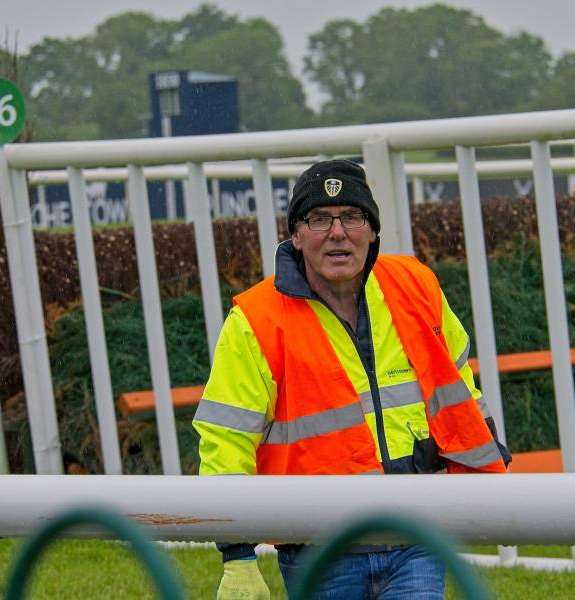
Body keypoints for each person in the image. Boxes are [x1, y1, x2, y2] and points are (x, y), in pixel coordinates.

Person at [192, 159, 511, 599]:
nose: (337, 232)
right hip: (317, 549)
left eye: (352, 217)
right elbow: (226, 441)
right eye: (319, 219)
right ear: (296, 236)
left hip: (414, 535)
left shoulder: (416, 286)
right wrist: (237, 556)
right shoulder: (255, 320)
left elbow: (457, 388)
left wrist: (491, 466)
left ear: (373, 230)